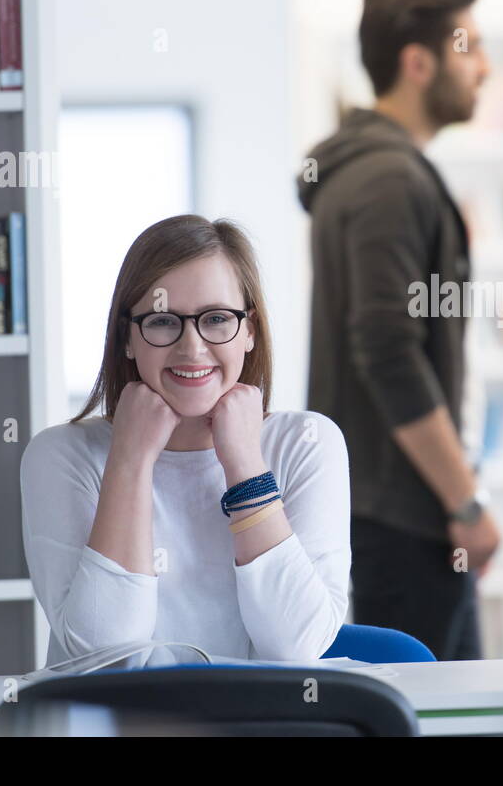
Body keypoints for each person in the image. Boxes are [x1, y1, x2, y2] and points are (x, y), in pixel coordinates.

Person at [20, 215, 350, 666]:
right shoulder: (60, 455)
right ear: (128, 339)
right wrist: (131, 460)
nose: (191, 347)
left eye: (216, 319)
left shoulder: (309, 443)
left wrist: (245, 464)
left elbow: (296, 646)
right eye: (161, 321)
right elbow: (104, 657)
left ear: (249, 330)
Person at [296, 0, 500, 660]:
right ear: (419, 63)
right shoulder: (388, 179)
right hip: (405, 516)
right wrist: (465, 502)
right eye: (470, 48)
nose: (486, 67)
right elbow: (387, 349)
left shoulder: (369, 169)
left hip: (390, 509)